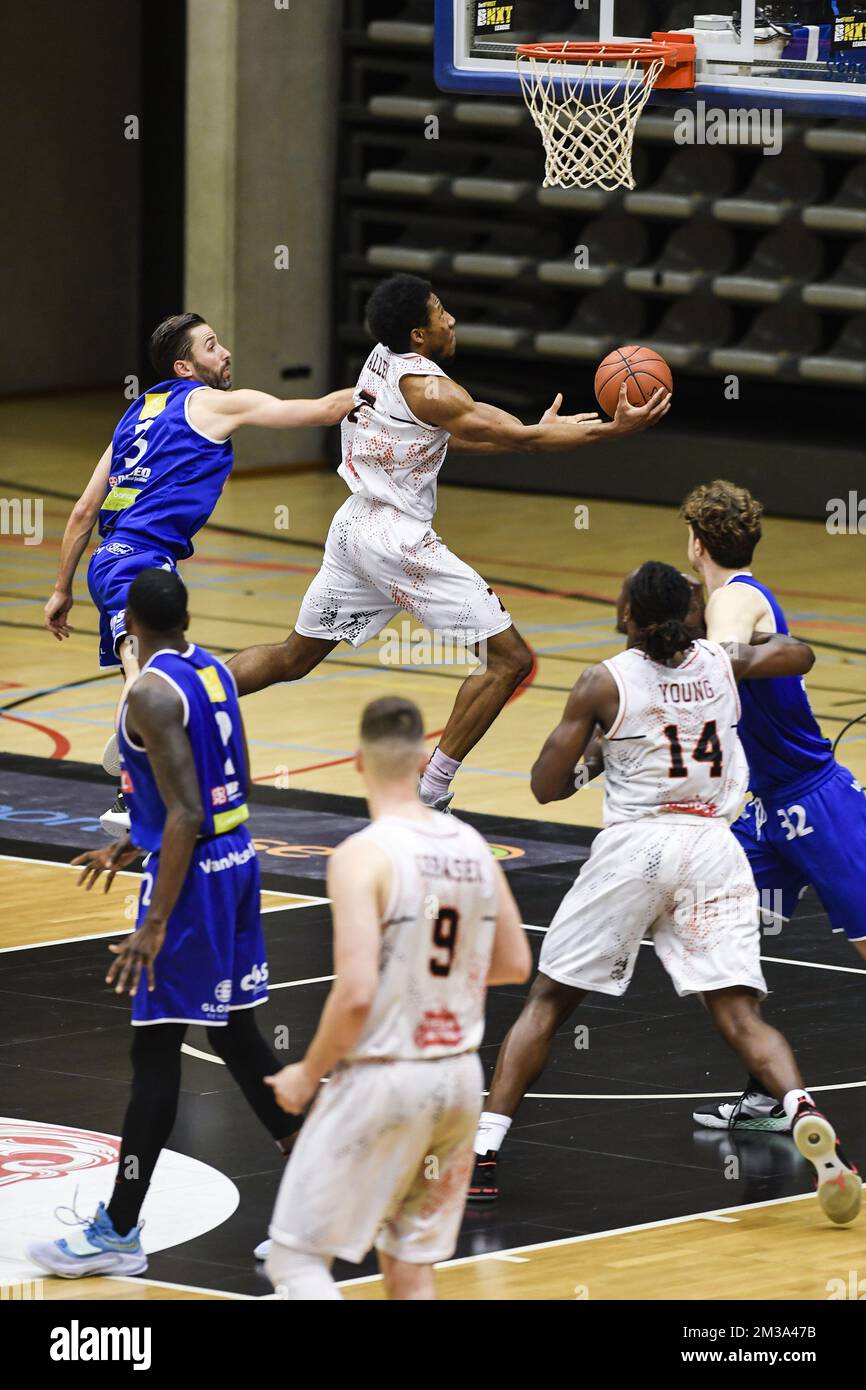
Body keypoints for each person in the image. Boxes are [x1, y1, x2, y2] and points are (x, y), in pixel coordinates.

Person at [467, 561, 860, 1227]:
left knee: (549, 1003)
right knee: (740, 1016)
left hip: (636, 850)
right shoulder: (722, 662)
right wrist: (734, 643)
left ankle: (483, 1156)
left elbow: (544, 786)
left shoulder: (602, 683)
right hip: (712, 851)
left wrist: (594, 758)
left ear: (628, 616)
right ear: (686, 616)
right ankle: (802, 1108)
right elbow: (802, 653)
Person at [226, 274, 670, 812]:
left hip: (353, 526)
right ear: (418, 335)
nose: (451, 319)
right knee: (509, 660)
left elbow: (447, 437)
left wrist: (532, 434)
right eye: (440, 313)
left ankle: (186, 694)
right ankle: (430, 791)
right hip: (397, 542)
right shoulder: (429, 388)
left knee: (292, 658)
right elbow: (523, 440)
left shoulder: (380, 359)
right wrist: (609, 431)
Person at [27, 569, 300, 1279]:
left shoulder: (148, 692)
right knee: (236, 1037)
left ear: (128, 622)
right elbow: (214, 783)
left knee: (154, 1054)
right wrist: (134, 840)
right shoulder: (210, 669)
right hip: (236, 861)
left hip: (195, 880)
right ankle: (317, 1200)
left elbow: (185, 810)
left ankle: (118, 1229)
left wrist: (154, 923)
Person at [263, 695, 531, 1301]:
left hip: (387, 1079)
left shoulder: (363, 854)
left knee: (295, 1262)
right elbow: (515, 963)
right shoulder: (471, 844)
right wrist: (439, 983)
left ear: (359, 761)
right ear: (421, 761)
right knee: (409, 1269)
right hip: (459, 1083)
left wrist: (306, 1073)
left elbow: (357, 993)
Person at [43, 312, 353, 835]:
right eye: (211, 346)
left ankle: (135, 769)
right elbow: (320, 410)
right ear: (184, 367)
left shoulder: (135, 415)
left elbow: (82, 513)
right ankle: (128, 793)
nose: (225, 351)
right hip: (138, 563)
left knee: (149, 667)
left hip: (112, 561)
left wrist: (61, 589)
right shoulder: (210, 403)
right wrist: (386, 387)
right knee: (145, 672)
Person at [682, 479, 866, 1131]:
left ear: (695, 543)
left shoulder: (734, 598)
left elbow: (727, 657)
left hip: (817, 804)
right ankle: (767, 1091)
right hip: (767, 816)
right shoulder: (729, 597)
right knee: (729, 943)